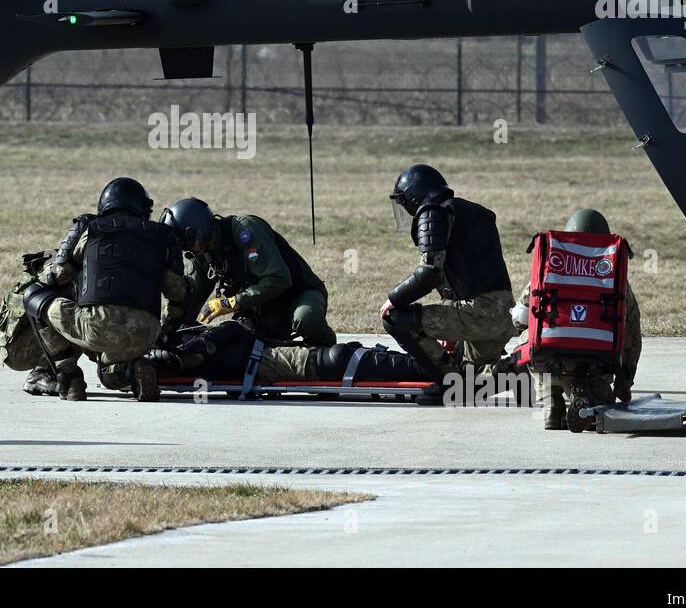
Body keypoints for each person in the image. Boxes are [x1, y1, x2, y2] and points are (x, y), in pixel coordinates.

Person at [23, 178, 189, 402]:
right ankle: (132, 370)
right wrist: (163, 332)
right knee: (108, 370)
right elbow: (178, 294)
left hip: (97, 327)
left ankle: (69, 378)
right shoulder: (163, 236)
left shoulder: (89, 227)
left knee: (34, 295)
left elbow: (58, 276)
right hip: (146, 333)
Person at [380, 164, 515, 403]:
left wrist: (393, 299)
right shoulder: (473, 211)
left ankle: (449, 385)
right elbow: (469, 274)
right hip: (502, 317)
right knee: (473, 379)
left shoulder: (433, 212)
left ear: (413, 197)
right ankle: (512, 371)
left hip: (477, 315)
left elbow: (429, 273)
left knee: (396, 319)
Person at [509, 208, 643, 430]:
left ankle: (551, 403)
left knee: (528, 338)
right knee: (601, 411)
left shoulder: (551, 268)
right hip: (596, 364)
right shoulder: (616, 280)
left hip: (551, 359)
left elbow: (520, 317)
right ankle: (588, 405)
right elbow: (632, 339)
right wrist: (623, 383)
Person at [159, 197, 336, 347]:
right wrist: (168, 329)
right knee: (236, 344)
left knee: (307, 319)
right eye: (185, 246)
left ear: (201, 229)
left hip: (297, 295)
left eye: (190, 242)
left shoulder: (245, 230)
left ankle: (332, 354)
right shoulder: (203, 253)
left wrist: (231, 303)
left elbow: (279, 279)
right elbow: (192, 296)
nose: (191, 249)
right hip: (260, 310)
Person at [148, 318, 427, 386]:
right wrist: (231, 329)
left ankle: (428, 364)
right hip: (266, 362)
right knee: (338, 359)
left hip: (265, 351)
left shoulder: (176, 339)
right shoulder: (171, 356)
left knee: (346, 354)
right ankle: (428, 369)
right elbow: (188, 356)